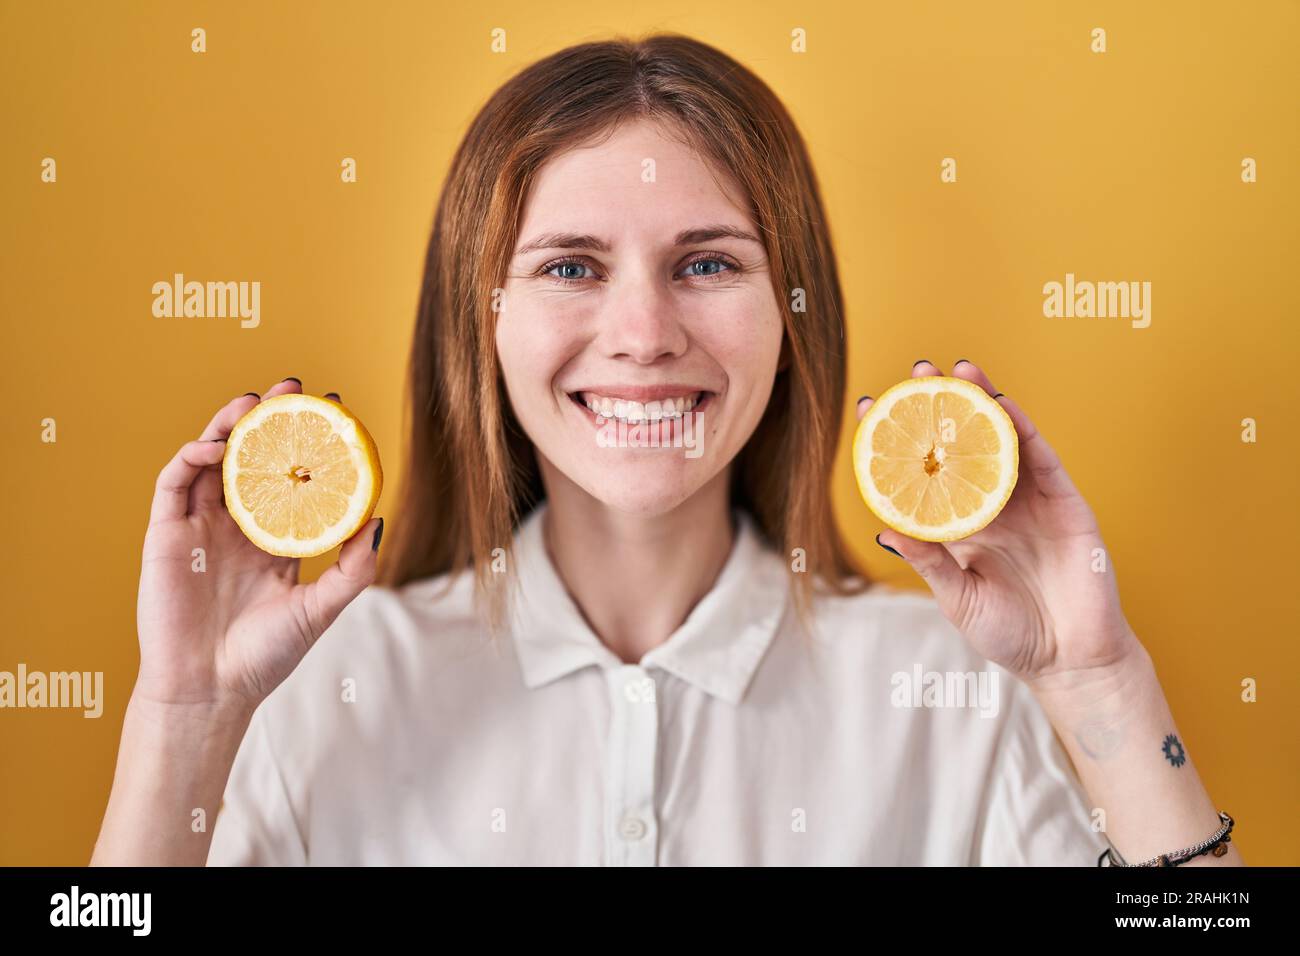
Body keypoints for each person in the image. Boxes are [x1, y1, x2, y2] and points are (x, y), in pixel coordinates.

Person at [92, 35, 1242, 866]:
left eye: (706, 263)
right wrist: (184, 717)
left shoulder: (950, 699)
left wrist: (1100, 680)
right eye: (570, 266)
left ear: (793, 316)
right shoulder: (324, 690)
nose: (642, 334)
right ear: (476, 319)